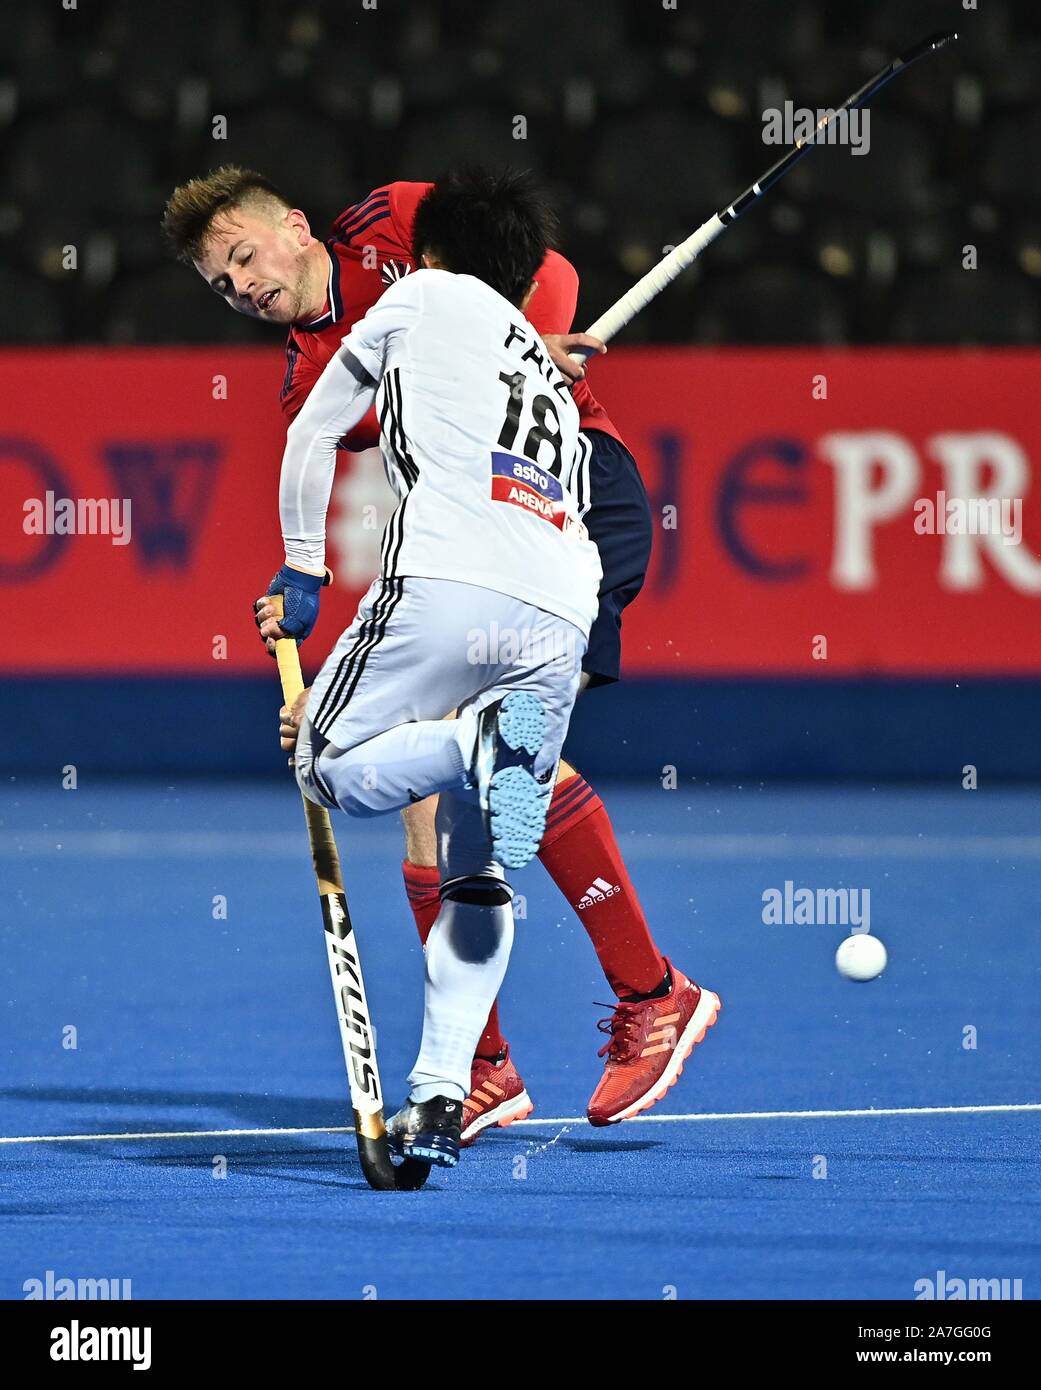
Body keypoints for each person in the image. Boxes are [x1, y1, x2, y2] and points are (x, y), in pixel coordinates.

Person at [161, 164, 720, 1140]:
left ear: (296, 227)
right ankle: (492, 1065)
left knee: (493, 759)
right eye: (221, 284)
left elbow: (545, 265)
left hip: (571, 497)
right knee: (438, 802)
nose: (242, 286)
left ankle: (650, 991)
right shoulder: (311, 375)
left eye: (244, 257)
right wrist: (295, 580)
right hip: (484, 541)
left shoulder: (394, 220)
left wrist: (527, 341)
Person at [253, 169, 601, 1165]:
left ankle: (471, 743)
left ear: (430, 248)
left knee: (321, 757)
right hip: (558, 607)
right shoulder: (542, 367)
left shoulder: (412, 295)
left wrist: (304, 568)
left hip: (453, 576)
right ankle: (442, 1097)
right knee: (480, 866)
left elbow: (317, 427)